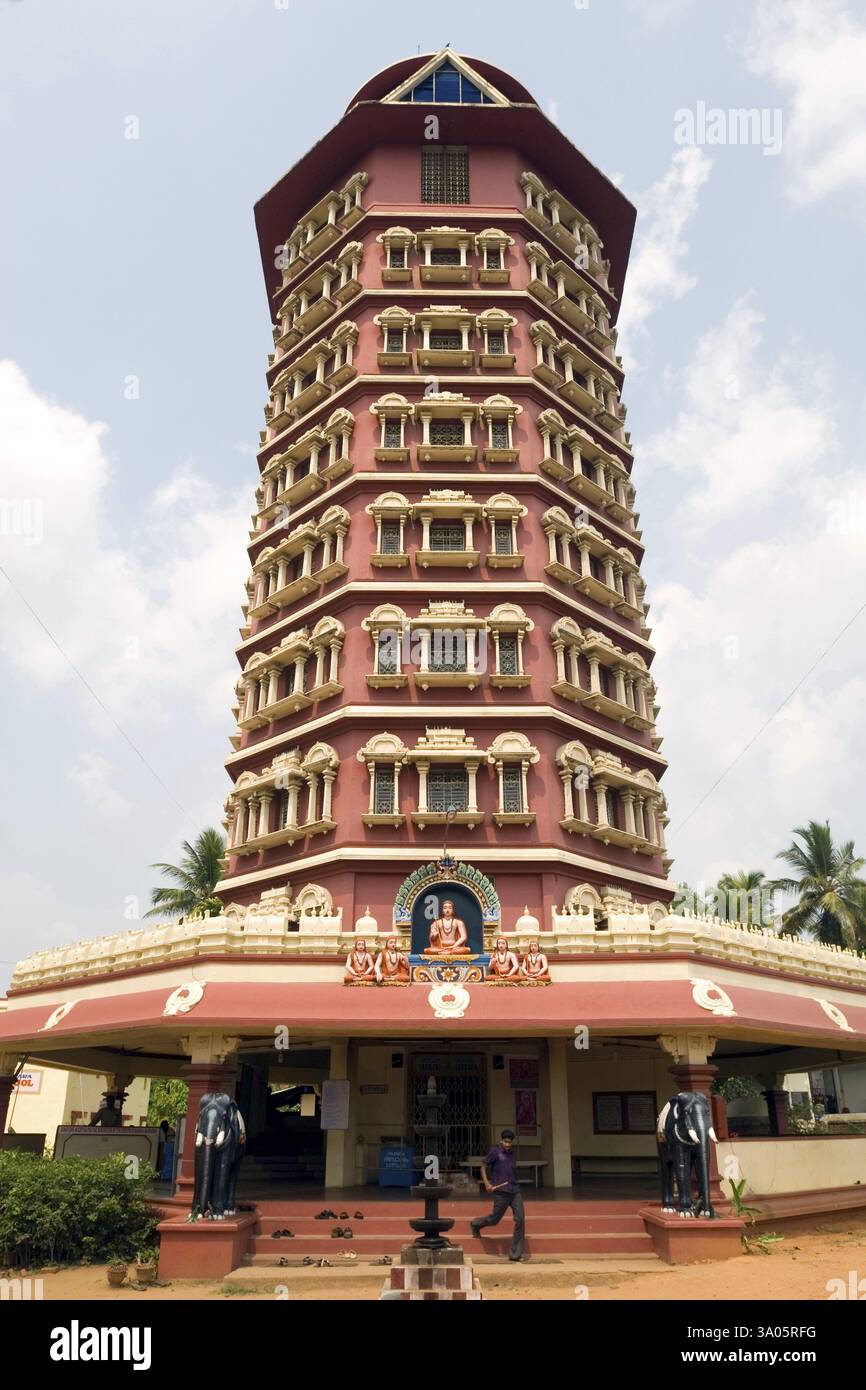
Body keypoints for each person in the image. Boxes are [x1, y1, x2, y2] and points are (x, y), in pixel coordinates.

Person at [470, 1128, 526, 1261]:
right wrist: (487, 1184)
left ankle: (515, 1253)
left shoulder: (512, 1154)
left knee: (520, 1219)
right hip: (501, 1192)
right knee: (494, 1219)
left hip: (514, 1190)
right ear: (501, 1140)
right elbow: (483, 1166)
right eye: (505, 1142)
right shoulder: (495, 1151)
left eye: (509, 1142)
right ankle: (475, 1224)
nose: (507, 1144)